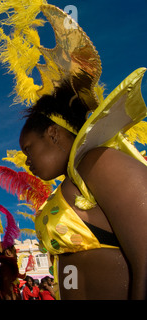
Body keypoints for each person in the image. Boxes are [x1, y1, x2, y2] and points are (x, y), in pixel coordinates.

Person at [19, 80, 147, 299]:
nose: (27, 161)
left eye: (28, 149)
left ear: (53, 134)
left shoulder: (99, 162)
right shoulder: (71, 184)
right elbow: (72, 273)